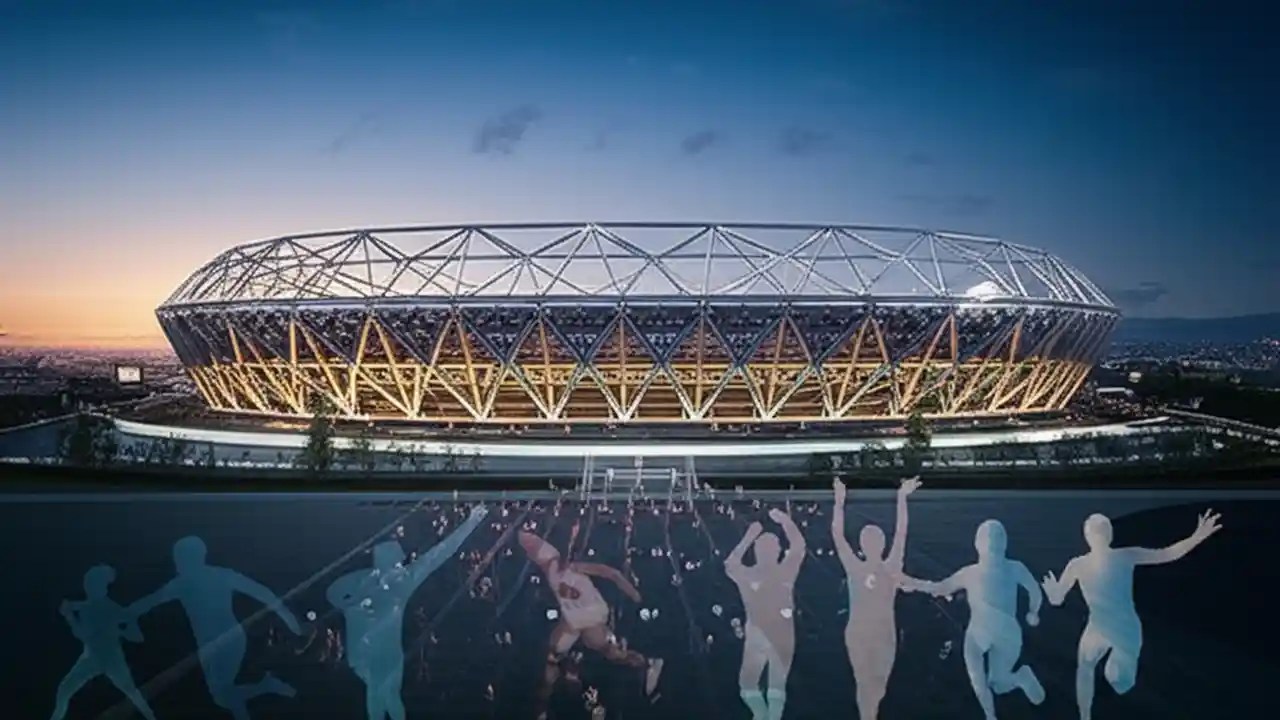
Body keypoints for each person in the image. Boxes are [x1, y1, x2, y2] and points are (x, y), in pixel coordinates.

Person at [1042, 509, 1222, 720]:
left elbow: (1167, 554)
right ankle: (1085, 715)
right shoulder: (1089, 562)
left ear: (1089, 536)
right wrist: (1197, 537)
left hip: (1122, 628)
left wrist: (1197, 537)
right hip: (1105, 626)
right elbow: (1166, 554)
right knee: (1088, 666)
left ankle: (1098, 697)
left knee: (1118, 680)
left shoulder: (1114, 558)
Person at [327, 504, 489, 720]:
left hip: (386, 655)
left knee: (387, 696)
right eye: (396, 563)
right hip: (364, 654)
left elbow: (439, 554)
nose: (400, 567)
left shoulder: (401, 582)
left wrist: (471, 522)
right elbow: (333, 593)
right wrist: (353, 607)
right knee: (379, 696)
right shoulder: (363, 582)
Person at [131, 536, 301, 720]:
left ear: (193, 557)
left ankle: (266, 688)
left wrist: (288, 617)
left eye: (179, 557)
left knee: (223, 695)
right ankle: (265, 687)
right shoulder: (182, 583)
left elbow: (259, 591)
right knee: (221, 696)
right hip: (207, 645)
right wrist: (126, 614)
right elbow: (150, 601)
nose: (177, 563)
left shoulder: (216, 576)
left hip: (228, 639)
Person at [903, 519, 1044, 720]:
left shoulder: (970, 573)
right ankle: (1017, 681)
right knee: (998, 683)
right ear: (1004, 544)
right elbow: (1035, 591)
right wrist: (1033, 613)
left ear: (977, 545)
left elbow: (939, 587)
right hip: (1008, 632)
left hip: (981, 632)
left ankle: (991, 713)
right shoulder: (1015, 568)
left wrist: (914, 584)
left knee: (983, 679)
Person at [518, 529, 663, 720]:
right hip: (574, 619)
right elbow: (529, 544)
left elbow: (611, 573)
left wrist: (633, 593)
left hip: (591, 613)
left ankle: (648, 663)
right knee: (554, 658)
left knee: (607, 651)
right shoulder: (549, 568)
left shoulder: (575, 567)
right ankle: (542, 710)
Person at [831, 477, 922, 720]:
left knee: (877, 688)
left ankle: (870, 713)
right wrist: (839, 501)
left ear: (881, 544)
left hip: (883, 634)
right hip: (860, 633)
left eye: (876, 539)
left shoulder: (891, 566)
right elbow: (837, 536)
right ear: (863, 544)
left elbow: (901, 532)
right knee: (864, 683)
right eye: (868, 539)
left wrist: (902, 497)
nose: (872, 543)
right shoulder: (854, 567)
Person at [725, 508, 806, 720]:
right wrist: (751, 536)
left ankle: (768, 716)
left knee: (774, 684)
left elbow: (798, 547)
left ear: (778, 550)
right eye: (763, 546)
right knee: (751, 683)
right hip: (759, 632)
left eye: (771, 547)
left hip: (779, 632)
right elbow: (730, 565)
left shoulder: (784, 570)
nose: (768, 550)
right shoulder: (751, 573)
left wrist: (783, 521)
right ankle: (763, 716)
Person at [50, 565, 156, 720]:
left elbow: (137, 637)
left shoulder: (112, 609)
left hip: (111, 659)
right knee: (64, 689)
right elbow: (83, 629)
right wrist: (69, 613)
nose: (88, 587)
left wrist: (123, 630)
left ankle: (151, 717)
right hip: (91, 658)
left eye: (92, 583)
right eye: (88, 583)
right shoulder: (88, 607)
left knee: (132, 692)